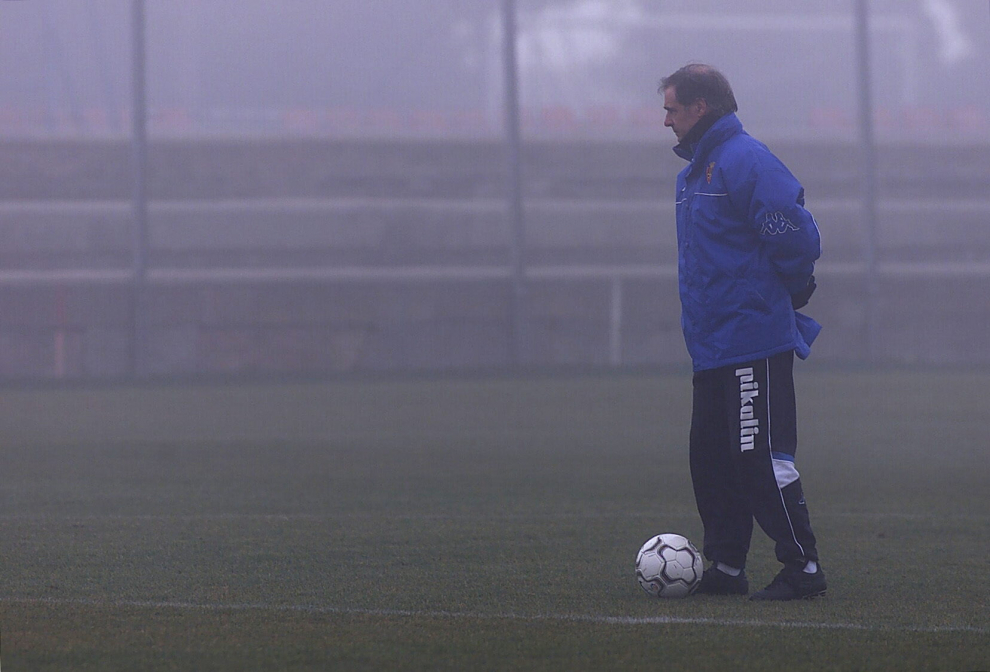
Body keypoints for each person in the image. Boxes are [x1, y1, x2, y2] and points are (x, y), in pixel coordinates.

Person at [659, 63, 826, 600]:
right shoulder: (695, 173)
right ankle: (727, 569)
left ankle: (803, 569)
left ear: (699, 108)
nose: (666, 121)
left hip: (752, 342)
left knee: (761, 458)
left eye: (672, 109)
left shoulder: (744, 159)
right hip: (711, 348)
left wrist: (796, 284)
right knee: (710, 463)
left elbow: (792, 231)